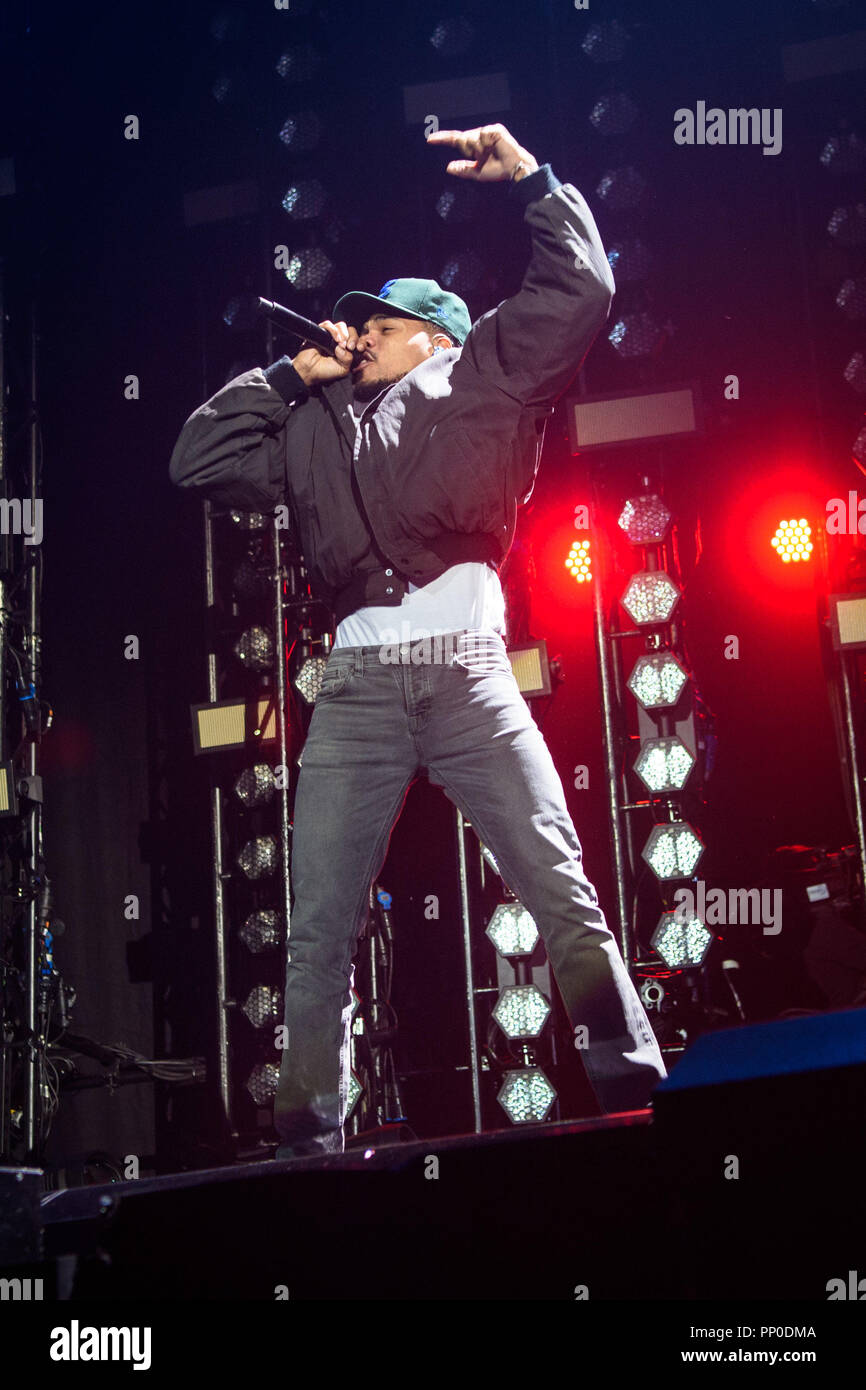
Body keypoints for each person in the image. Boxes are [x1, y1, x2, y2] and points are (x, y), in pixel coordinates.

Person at [169, 123, 667, 1159]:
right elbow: (197, 460)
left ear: (431, 336)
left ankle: (638, 1096)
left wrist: (530, 181)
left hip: (468, 679)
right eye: (351, 328)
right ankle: (309, 1138)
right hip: (354, 689)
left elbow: (581, 291)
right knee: (317, 932)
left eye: (376, 325)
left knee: (556, 885)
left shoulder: (480, 372)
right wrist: (287, 374)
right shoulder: (312, 423)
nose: (356, 336)